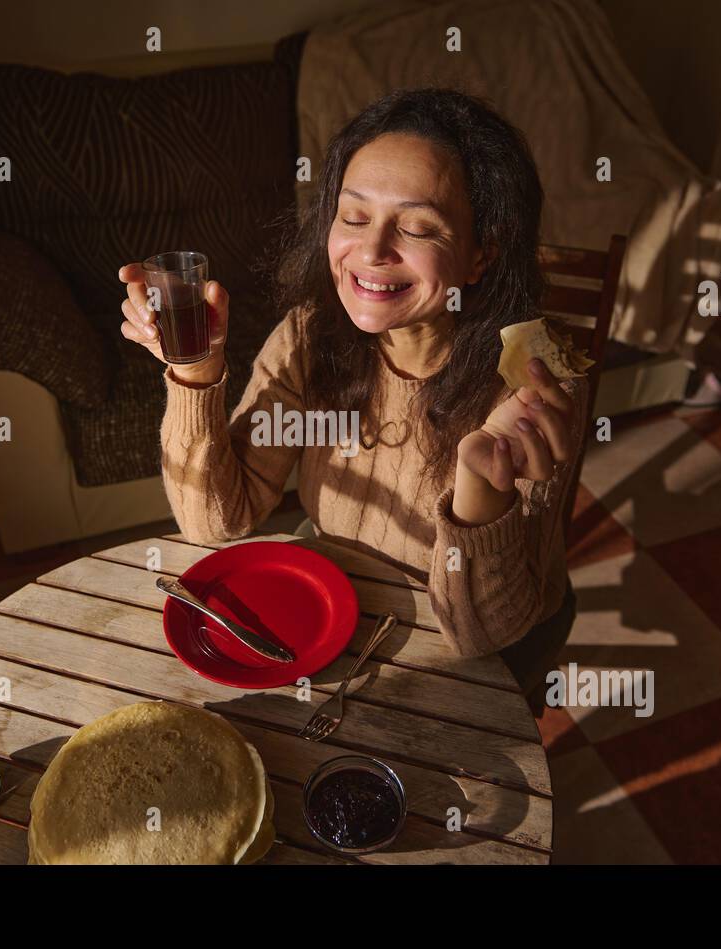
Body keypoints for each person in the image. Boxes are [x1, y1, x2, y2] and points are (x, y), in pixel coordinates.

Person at [118, 88, 584, 706]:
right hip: (344, 595)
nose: (370, 252)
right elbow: (215, 520)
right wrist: (197, 368)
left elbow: (480, 633)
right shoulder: (313, 336)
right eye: (354, 216)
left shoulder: (535, 380)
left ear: (481, 255)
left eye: (418, 227)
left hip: (487, 634)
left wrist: (483, 492)